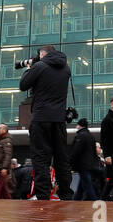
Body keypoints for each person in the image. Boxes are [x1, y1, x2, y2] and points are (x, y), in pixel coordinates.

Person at [17, 45, 73, 200]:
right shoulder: (66, 68)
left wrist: (29, 68)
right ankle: (66, 194)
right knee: (61, 158)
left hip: (41, 118)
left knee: (40, 158)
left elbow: (23, 85)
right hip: (59, 119)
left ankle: (43, 195)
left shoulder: (40, 66)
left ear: (43, 54)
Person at [70, 118, 99, 201]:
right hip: (90, 165)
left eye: (77, 125)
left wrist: (71, 163)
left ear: (80, 125)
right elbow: (94, 152)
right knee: (82, 186)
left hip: (83, 165)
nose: (76, 126)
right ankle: (76, 200)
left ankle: (95, 202)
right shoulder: (91, 136)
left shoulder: (81, 136)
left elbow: (76, 151)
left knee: (88, 185)